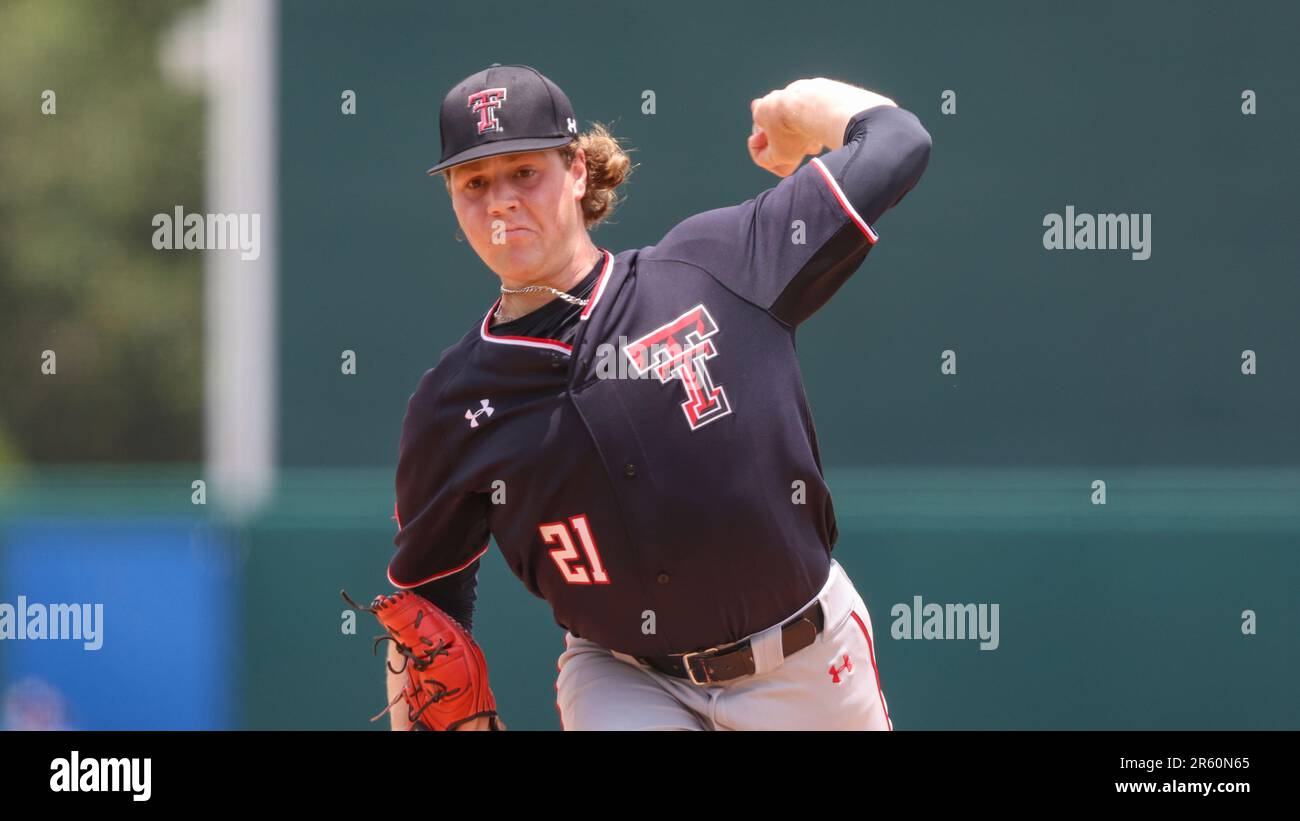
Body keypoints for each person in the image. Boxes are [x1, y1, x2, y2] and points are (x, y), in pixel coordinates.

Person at [385, 63, 931, 730]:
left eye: (524, 170)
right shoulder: (454, 403)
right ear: (452, 200)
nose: (500, 199)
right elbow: (425, 612)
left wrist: (798, 107)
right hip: (627, 679)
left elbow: (898, 140)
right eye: (474, 182)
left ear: (578, 169)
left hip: (807, 663)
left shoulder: (719, 265)